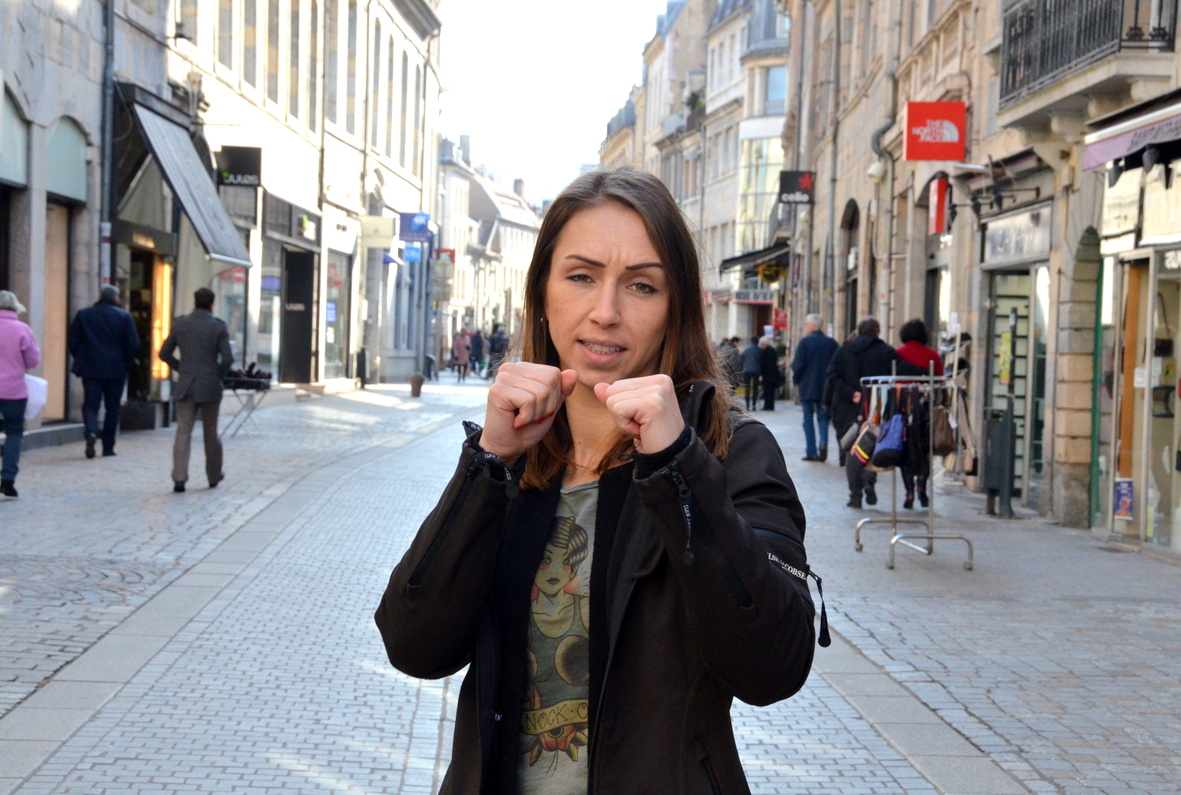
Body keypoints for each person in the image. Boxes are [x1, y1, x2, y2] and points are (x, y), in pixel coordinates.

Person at [375, 167, 821, 794]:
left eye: (641, 286)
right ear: (544, 293)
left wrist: (677, 468)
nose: (605, 312)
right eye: (581, 276)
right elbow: (413, 645)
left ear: (676, 307)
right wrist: (487, 467)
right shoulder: (512, 460)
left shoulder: (731, 454)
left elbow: (774, 666)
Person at [826, 317, 915, 508]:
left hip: (847, 408)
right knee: (872, 445)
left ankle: (855, 495)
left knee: (853, 450)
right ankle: (868, 480)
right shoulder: (885, 351)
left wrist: (851, 394)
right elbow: (904, 369)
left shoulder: (844, 350)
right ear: (877, 331)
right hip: (876, 407)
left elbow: (832, 376)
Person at [158, 287, 234, 493]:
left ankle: (179, 478)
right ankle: (213, 475)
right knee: (211, 433)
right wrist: (217, 374)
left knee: (183, 431)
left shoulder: (180, 324)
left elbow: (164, 353)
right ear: (212, 305)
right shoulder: (218, 326)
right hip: (210, 385)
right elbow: (228, 358)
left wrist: (181, 368)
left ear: (194, 302)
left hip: (186, 385)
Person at [68, 284, 140, 459]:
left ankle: (91, 431)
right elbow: (133, 344)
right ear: (116, 298)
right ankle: (108, 446)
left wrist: (82, 357)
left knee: (90, 404)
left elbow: (73, 340)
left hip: (91, 367)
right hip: (115, 369)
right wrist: (126, 362)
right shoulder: (124, 316)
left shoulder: (84, 315)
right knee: (112, 408)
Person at [895, 318, 944, 509]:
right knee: (925, 450)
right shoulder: (933, 355)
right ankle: (922, 487)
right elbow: (940, 381)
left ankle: (908, 493)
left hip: (904, 409)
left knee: (905, 452)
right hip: (926, 409)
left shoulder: (899, 354)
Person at [0, 291, 41, 499]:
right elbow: (33, 361)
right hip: (13, 391)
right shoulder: (22, 329)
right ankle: (7, 479)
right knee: (14, 433)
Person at [792, 314, 838, 461]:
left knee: (808, 421)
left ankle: (811, 451)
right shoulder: (831, 343)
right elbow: (836, 365)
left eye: (806, 324)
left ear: (811, 326)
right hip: (826, 388)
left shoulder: (805, 343)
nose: (805, 327)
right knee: (823, 418)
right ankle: (823, 443)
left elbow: (798, 366)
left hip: (807, 387)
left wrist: (796, 381)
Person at [740, 334, 762, 410]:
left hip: (747, 370)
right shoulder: (759, 350)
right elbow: (761, 360)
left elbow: (742, 360)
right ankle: (754, 405)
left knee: (747, 388)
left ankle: (747, 406)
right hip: (756, 370)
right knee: (755, 388)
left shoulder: (747, 349)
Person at [759, 334, 779, 410]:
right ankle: (771, 406)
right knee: (771, 391)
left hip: (767, 374)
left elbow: (763, 363)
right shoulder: (773, 350)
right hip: (773, 374)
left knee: (767, 391)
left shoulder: (765, 352)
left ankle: (767, 406)